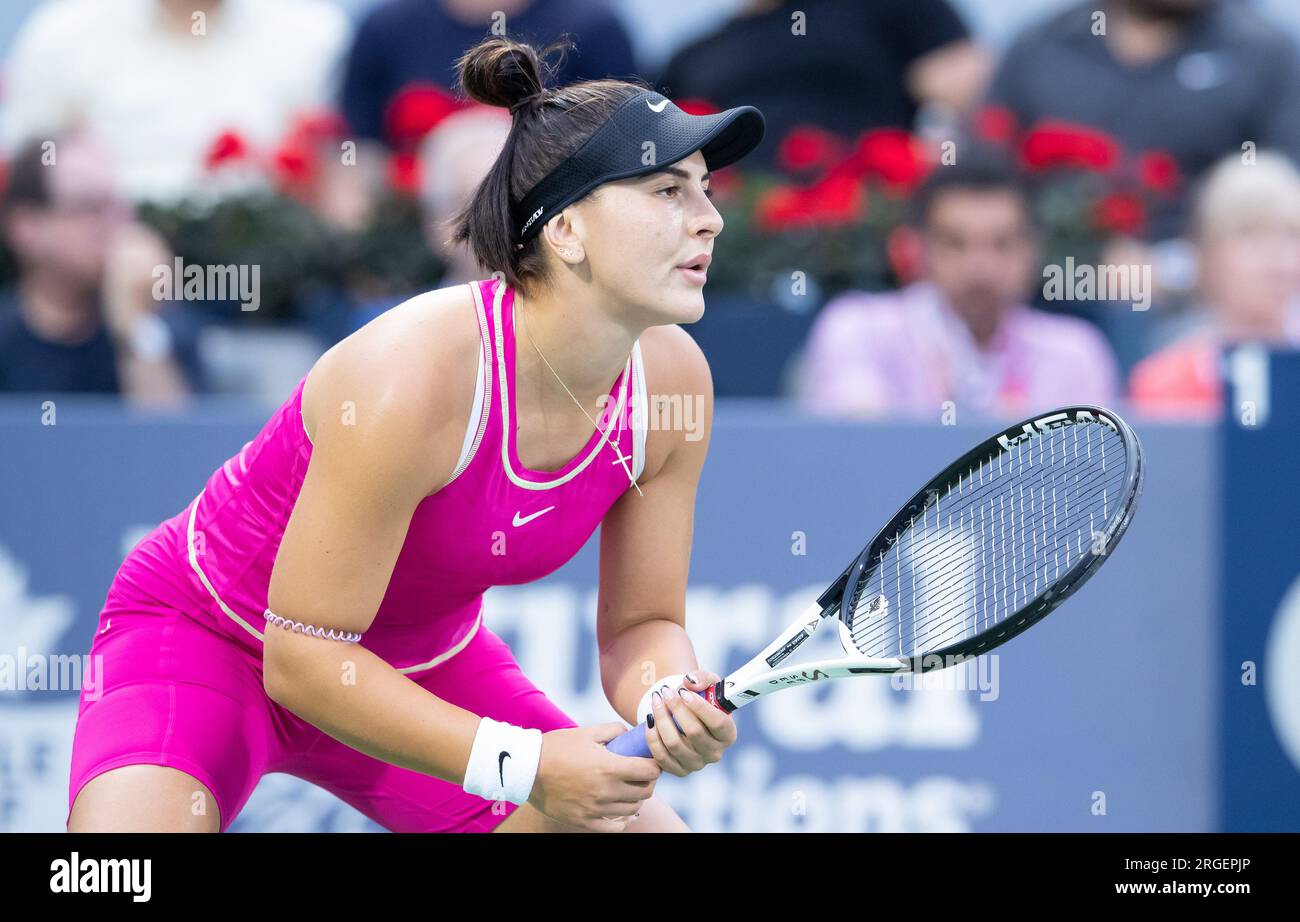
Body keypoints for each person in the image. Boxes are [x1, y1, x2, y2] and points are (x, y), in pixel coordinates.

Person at [66, 36, 766, 833]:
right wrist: (527, 764)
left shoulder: (676, 384)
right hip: (211, 639)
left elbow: (642, 625)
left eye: (705, 191)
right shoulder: (410, 376)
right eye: (668, 192)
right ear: (566, 231)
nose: (710, 220)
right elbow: (300, 658)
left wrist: (664, 695)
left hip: (419, 666)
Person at [794, 151, 1119, 419]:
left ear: (1032, 251)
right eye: (955, 243)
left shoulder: (1076, 352)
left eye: (1002, 243)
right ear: (917, 250)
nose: (980, 266)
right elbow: (860, 452)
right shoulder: (859, 328)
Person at [983, 0, 1300, 239]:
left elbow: (1286, 194)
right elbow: (981, 172)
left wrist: (1178, 268)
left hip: (1201, 300)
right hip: (1047, 285)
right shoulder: (1042, 47)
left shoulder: (1265, 55)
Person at [0, 134, 203, 402]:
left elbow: (176, 439)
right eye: (91, 208)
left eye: (118, 207)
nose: (117, 226)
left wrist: (135, 324)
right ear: (26, 228)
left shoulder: (162, 325)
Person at [1129, 151, 1300, 417]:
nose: (1277, 258)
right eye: (1250, 235)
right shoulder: (1163, 382)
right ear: (1206, 254)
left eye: (1292, 235)